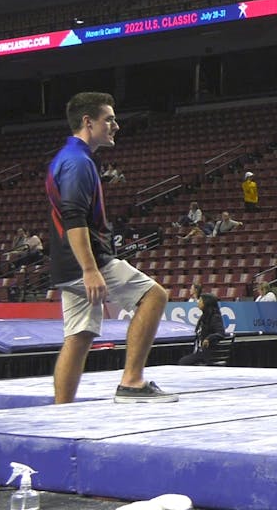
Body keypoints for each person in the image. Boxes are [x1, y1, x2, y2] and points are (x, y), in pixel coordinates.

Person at [47, 91, 176, 403]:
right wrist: (90, 270)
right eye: (109, 119)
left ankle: (61, 410)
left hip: (65, 264)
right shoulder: (77, 162)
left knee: (79, 336)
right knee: (154, 296)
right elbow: (74, 218)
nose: (116, 125)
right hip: (86, 261)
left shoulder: (70, 156)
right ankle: (132, 382)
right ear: (88, 122)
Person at [178, 293, 226, 366]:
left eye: (200, 300)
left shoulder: (215, 317)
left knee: (182, 362)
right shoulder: (204, 317)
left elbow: (221, 333)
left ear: (206, 303)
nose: (198, 302)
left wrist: (208, 339)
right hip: (200, 351)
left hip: (208, 353)